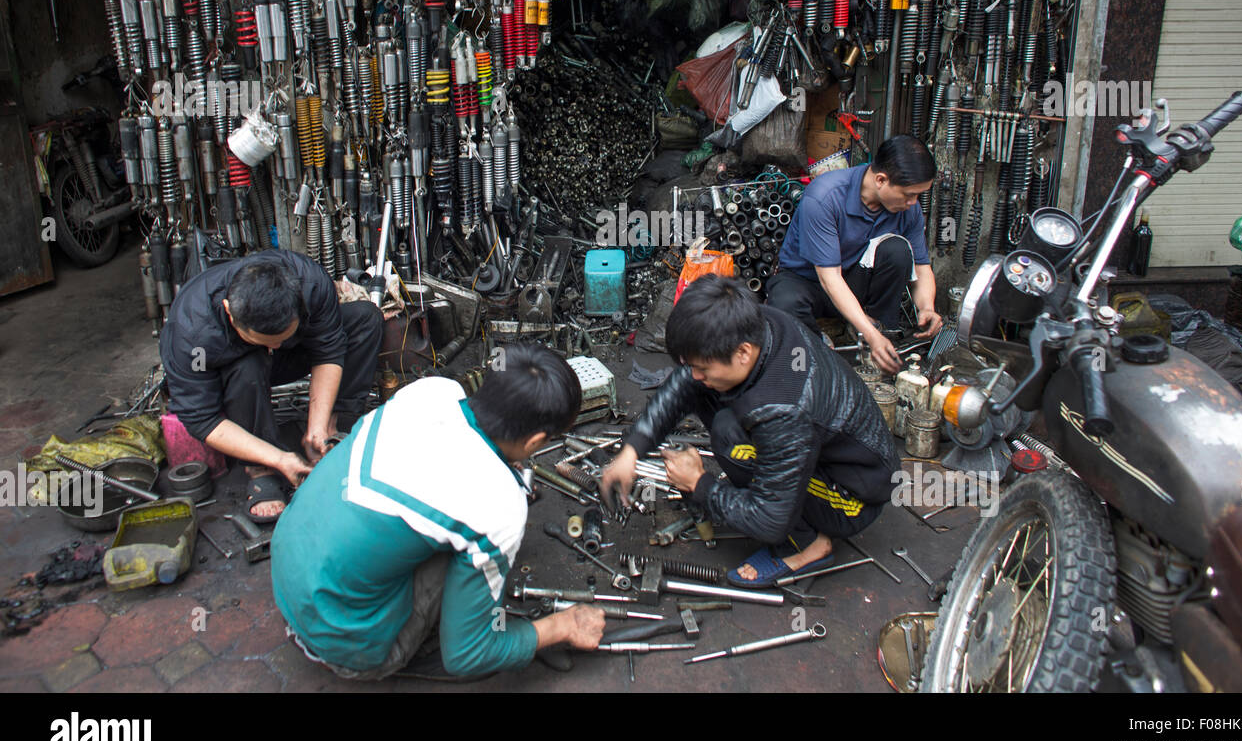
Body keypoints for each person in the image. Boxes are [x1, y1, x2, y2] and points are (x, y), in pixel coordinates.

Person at [270, 344, 605, 679]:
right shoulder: (501, 503)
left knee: (435, 526)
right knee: (470, 550)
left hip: (289, 582)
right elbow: (468, 656)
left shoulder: (431, 391)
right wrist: (561, 626)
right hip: (347, 645)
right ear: (535, 442)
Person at [601, 276, 900, 588]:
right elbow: (683, 382)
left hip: (852, 497)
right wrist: (633, 450)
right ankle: (775, 486)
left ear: (743, 353)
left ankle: (809, 544)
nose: (695, 374)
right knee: (712, 402)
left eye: (703, 366)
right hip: (820, 446)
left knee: (732, 444)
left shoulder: (784, 410)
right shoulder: (755, 325)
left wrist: (700, 485)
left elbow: (769, 520)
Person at [160, 250, 383, 521]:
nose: (274, 347)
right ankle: (259, 469)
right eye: (266, 340)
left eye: (279, 338)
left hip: (290, 356)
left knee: (366, 318)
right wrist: (278, 458)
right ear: (229, 312)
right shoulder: (192, 332)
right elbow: (201, 418)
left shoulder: (310, 283)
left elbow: (329, 348)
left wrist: (317, 427)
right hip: (241, 374)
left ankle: (335, 429)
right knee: (248, 364)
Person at [765, 134, 942, 375]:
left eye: (918, 195)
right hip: (809, 282)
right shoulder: (824, 196)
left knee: (897, 251)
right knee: (784, 302)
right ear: (880, 180)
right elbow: (830, 278)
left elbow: (921, 267)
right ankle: (823, 350)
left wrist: (927, 307)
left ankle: (880, 337)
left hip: (853, 280)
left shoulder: (907, 209)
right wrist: (870, 334)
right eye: (908, 195)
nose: (913, 202)